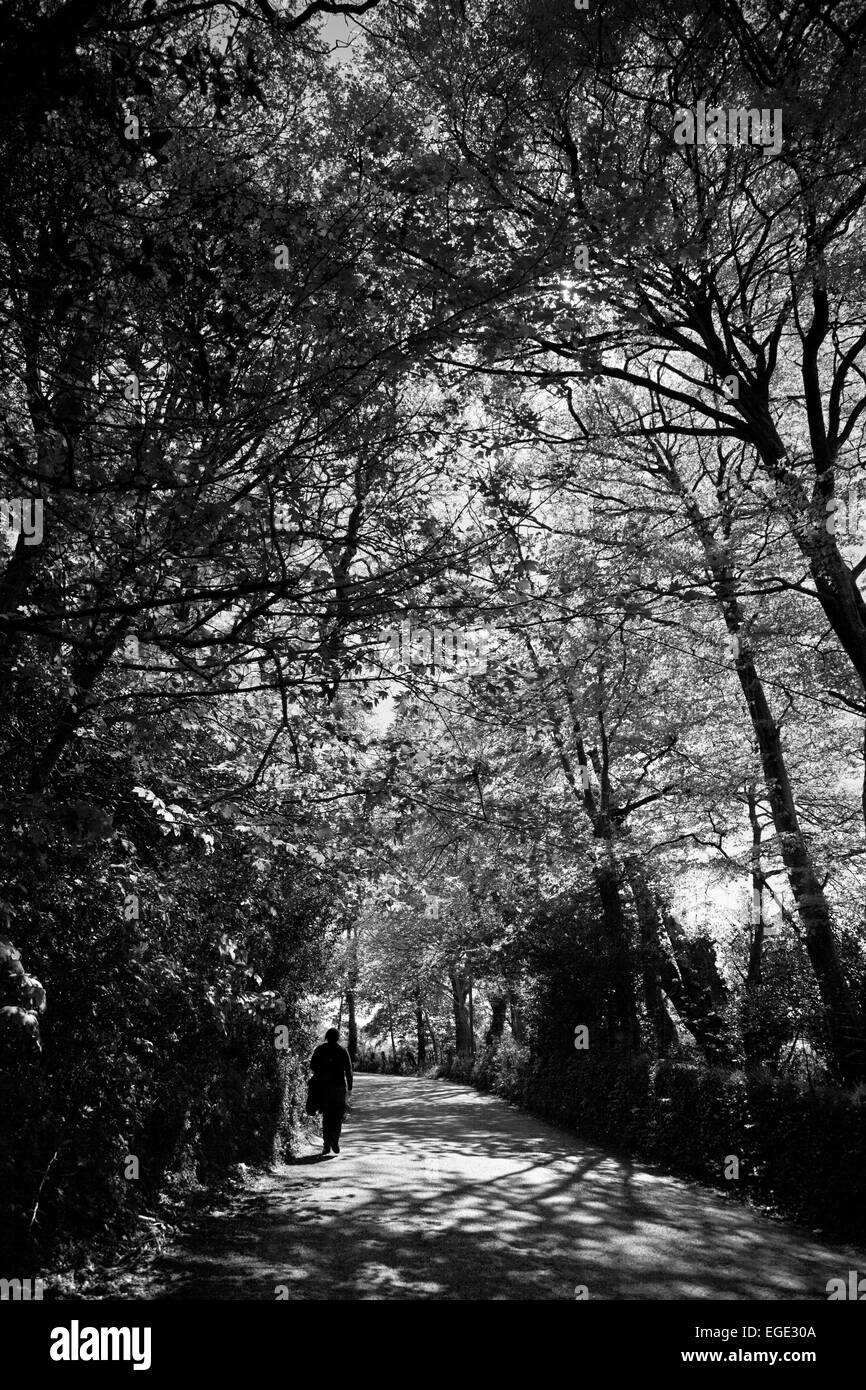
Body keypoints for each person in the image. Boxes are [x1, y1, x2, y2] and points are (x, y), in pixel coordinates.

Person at [310, 1027, 353, 1155]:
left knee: (327, 1116)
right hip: (339, 1088)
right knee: (337, 1116)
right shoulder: (342, 1051)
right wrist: (349, 1087)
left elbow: (312, 1066)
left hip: (324, 1088)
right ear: (338, 1037)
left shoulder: (320, 1049)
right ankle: (335, 1140)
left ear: (327, 1037)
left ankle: (326, 1145)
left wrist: (322, 1071)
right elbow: (348, 1070)